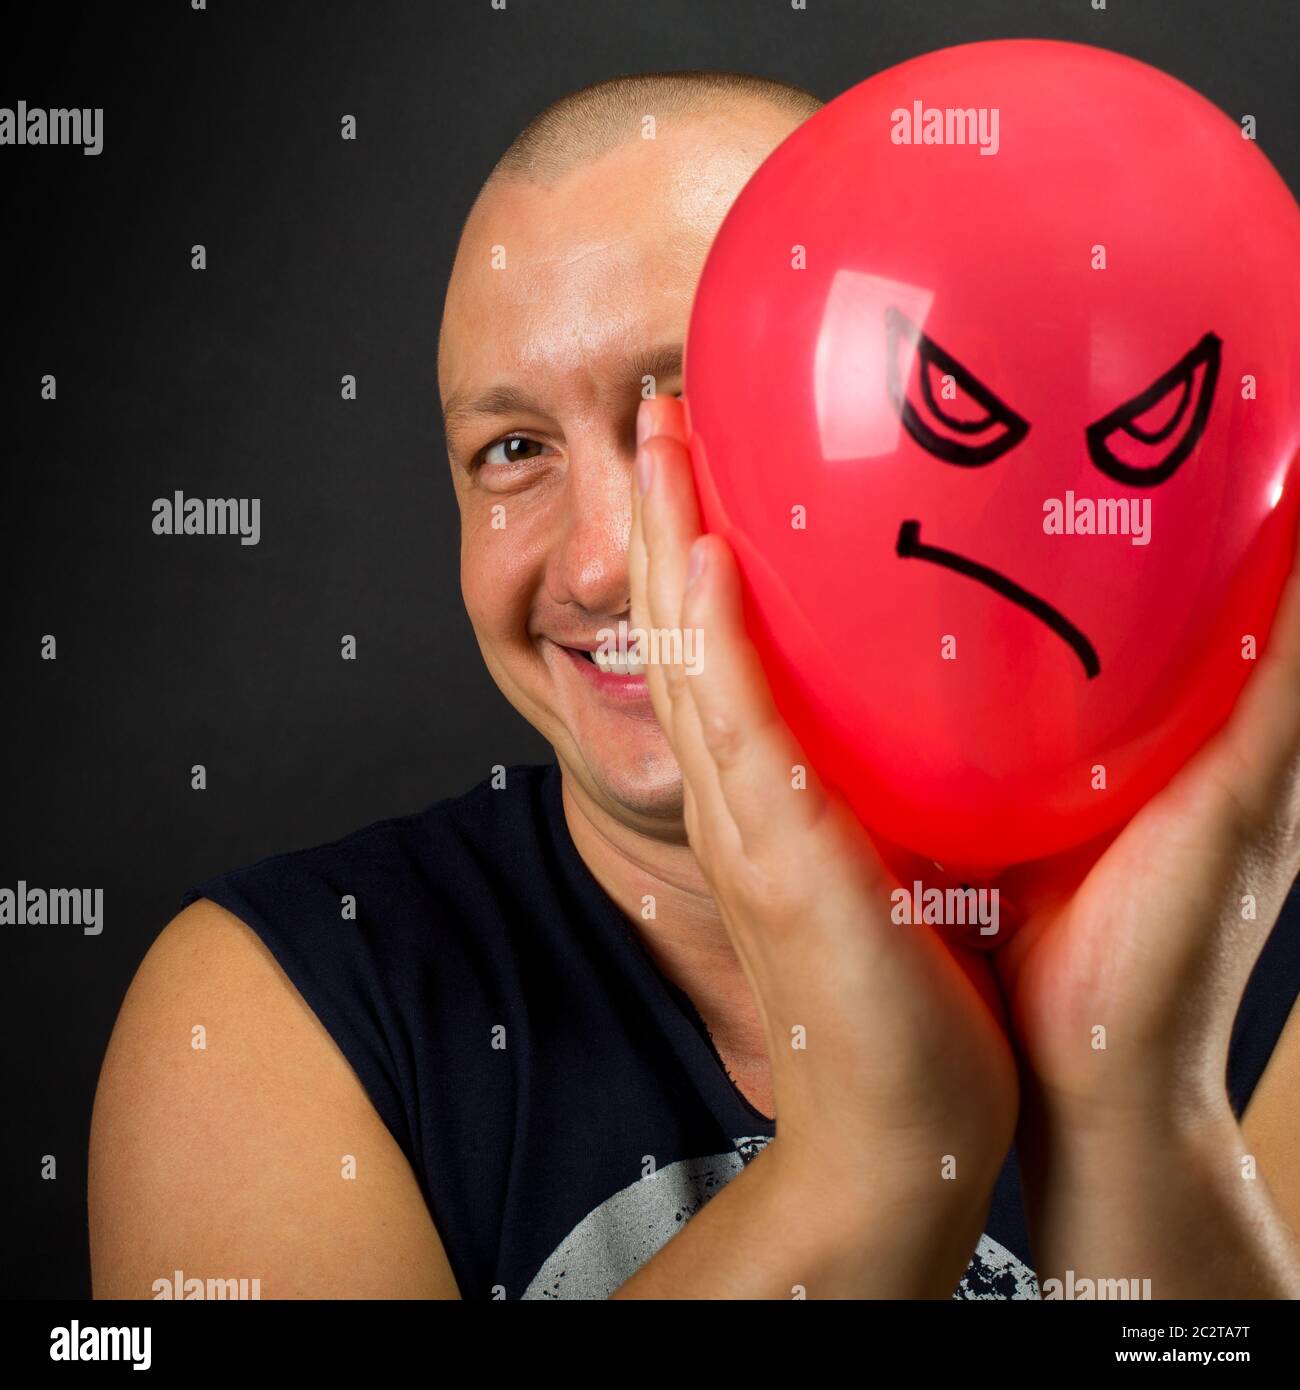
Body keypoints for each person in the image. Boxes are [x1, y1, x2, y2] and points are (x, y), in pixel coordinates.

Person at [88, 69, 1300, 1300]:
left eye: (694, 403)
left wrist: (1134, 1113)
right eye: (512, 451)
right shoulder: (287, 998)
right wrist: (870, 1157)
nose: (605, 562)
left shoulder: (1257, 968)